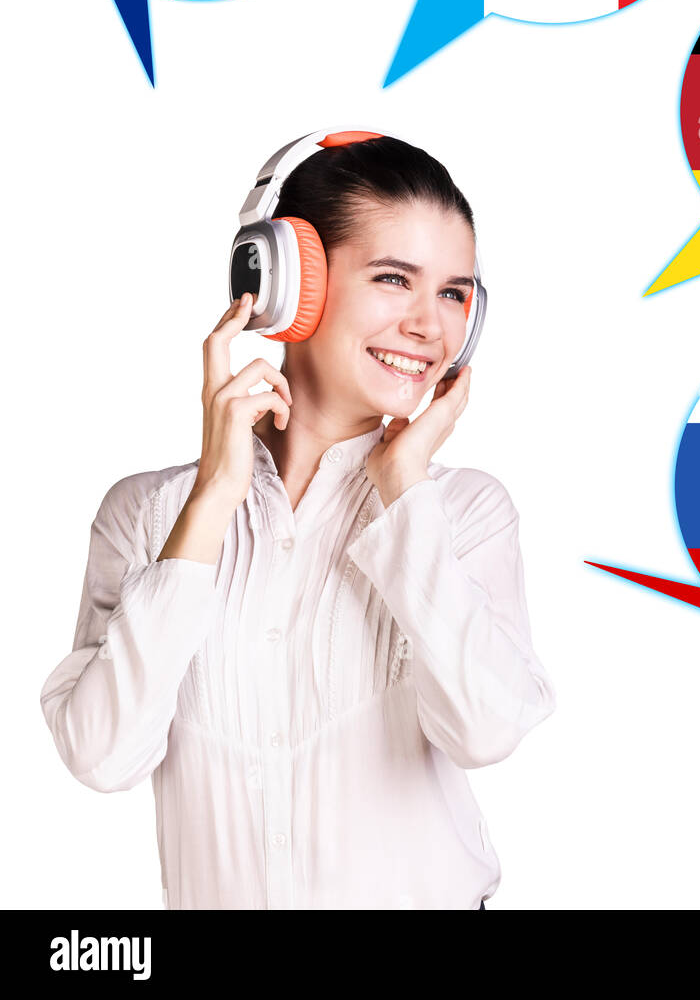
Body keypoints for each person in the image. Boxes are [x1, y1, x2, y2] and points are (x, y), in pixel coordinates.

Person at [40, 132, 556, 909]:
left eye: (454, 293)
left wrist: (404, 491)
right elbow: (102, 757)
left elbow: (483, 731)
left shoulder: (464, 512)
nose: (430, 326)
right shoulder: (147, 516)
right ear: (286, 287)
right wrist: (214, 494)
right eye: (393, 279)